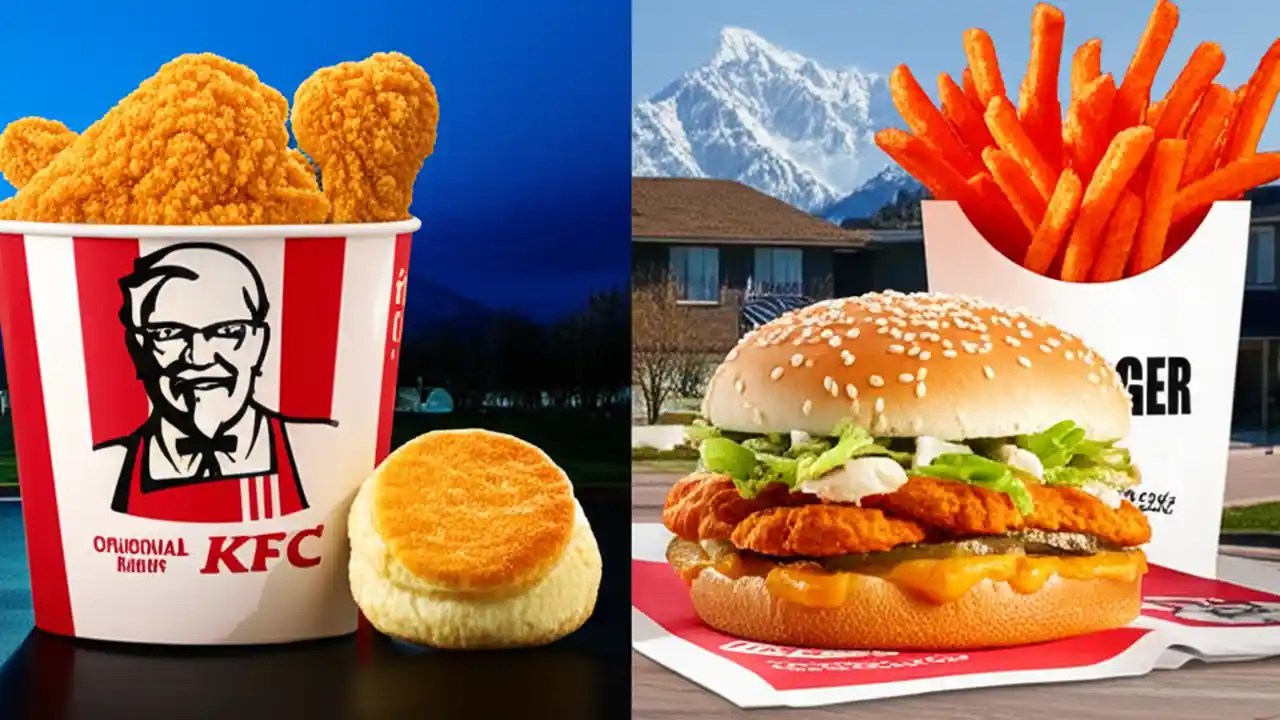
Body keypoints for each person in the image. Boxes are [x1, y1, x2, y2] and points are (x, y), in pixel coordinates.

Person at [98, 243, 332, 523]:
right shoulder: (104, 467)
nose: (200, 358)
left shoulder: (319, 449)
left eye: (227, 331)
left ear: (259, 343)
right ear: (138, 347)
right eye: (169, 333)